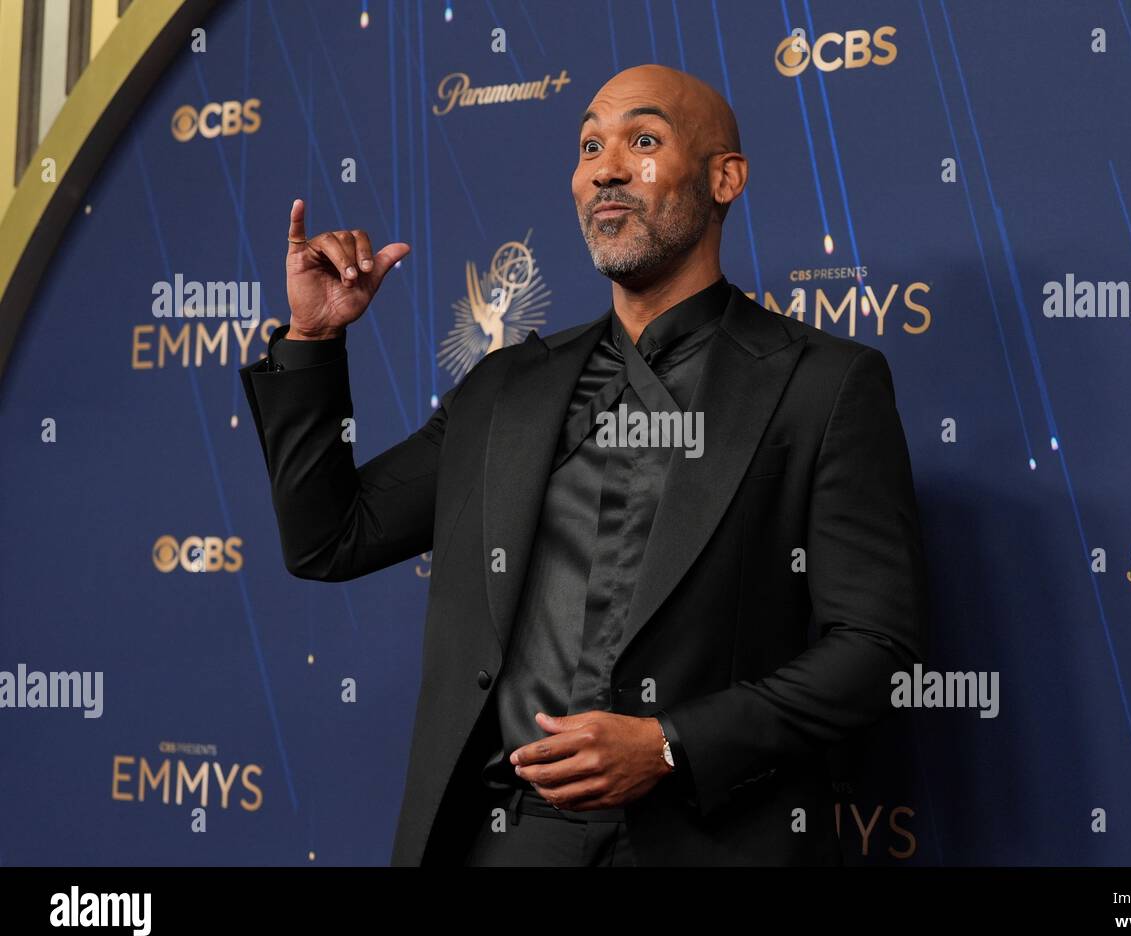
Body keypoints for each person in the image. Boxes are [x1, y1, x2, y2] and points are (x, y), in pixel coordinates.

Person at [239, 64, 927, 866]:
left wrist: (671, 743)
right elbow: (332, 538)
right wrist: (314, 342)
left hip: (704, 839)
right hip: (502, 843)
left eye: (642, 140)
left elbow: (880, 649)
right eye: (589, 144)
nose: (605, 166)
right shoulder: (504, 388)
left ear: (725, 178)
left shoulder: (822, 384)